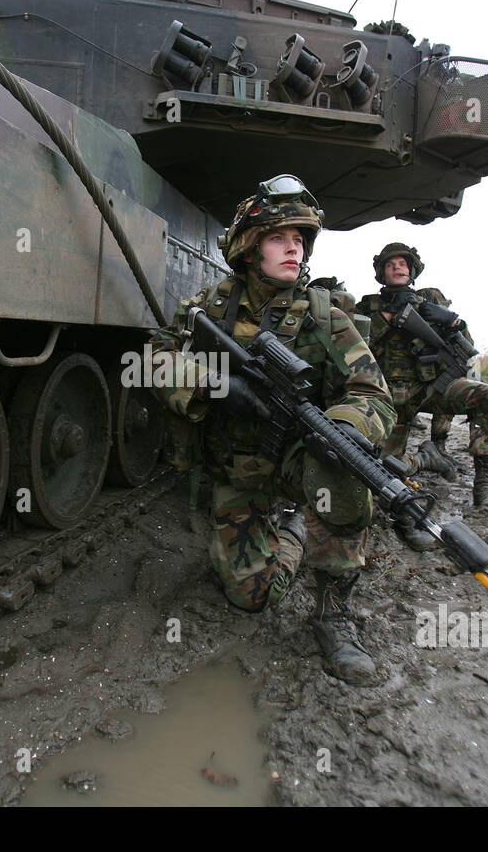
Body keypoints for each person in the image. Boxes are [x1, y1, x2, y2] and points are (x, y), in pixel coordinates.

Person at [145, 176, 395, 686]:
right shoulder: (209, 307)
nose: (294, 249)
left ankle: (332, 613)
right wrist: (212, 384)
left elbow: (373, 394)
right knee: (251, 598)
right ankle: (295, 531)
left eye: (301, 240)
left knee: (342, 468)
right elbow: (150, 358)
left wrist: (344, 427)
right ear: (249, 245)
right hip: (236, 467)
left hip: (296, 459)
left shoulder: (326, 316)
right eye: (281, 238)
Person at [356, 243, 488, 552]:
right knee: (381, 469)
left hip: (429, 391)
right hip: (386, 400)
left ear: (412, 270)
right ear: (381, 272)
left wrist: (453, 321)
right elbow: (355, 343)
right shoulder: (367, 307)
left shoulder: (430, 302)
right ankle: (426, 461)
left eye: (404, 264)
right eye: (391, 264)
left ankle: (485, 487)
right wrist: (388, 316)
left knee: (486, 397)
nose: (399, 268)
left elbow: (465, 349)